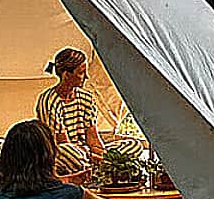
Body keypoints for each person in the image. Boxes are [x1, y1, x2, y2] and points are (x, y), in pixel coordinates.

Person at [35, 47, 142, 176]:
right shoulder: (49, 101)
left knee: (134, 145)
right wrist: (90, 155)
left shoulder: (86, 98)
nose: (86, 76)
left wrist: (100, 153)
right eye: (81, 72)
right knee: (68, 152)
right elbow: (60, 142)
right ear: (67, 75)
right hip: (64, 153)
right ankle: (101, 168)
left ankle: (98, 168)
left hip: (86, 154)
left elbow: (93, 137)